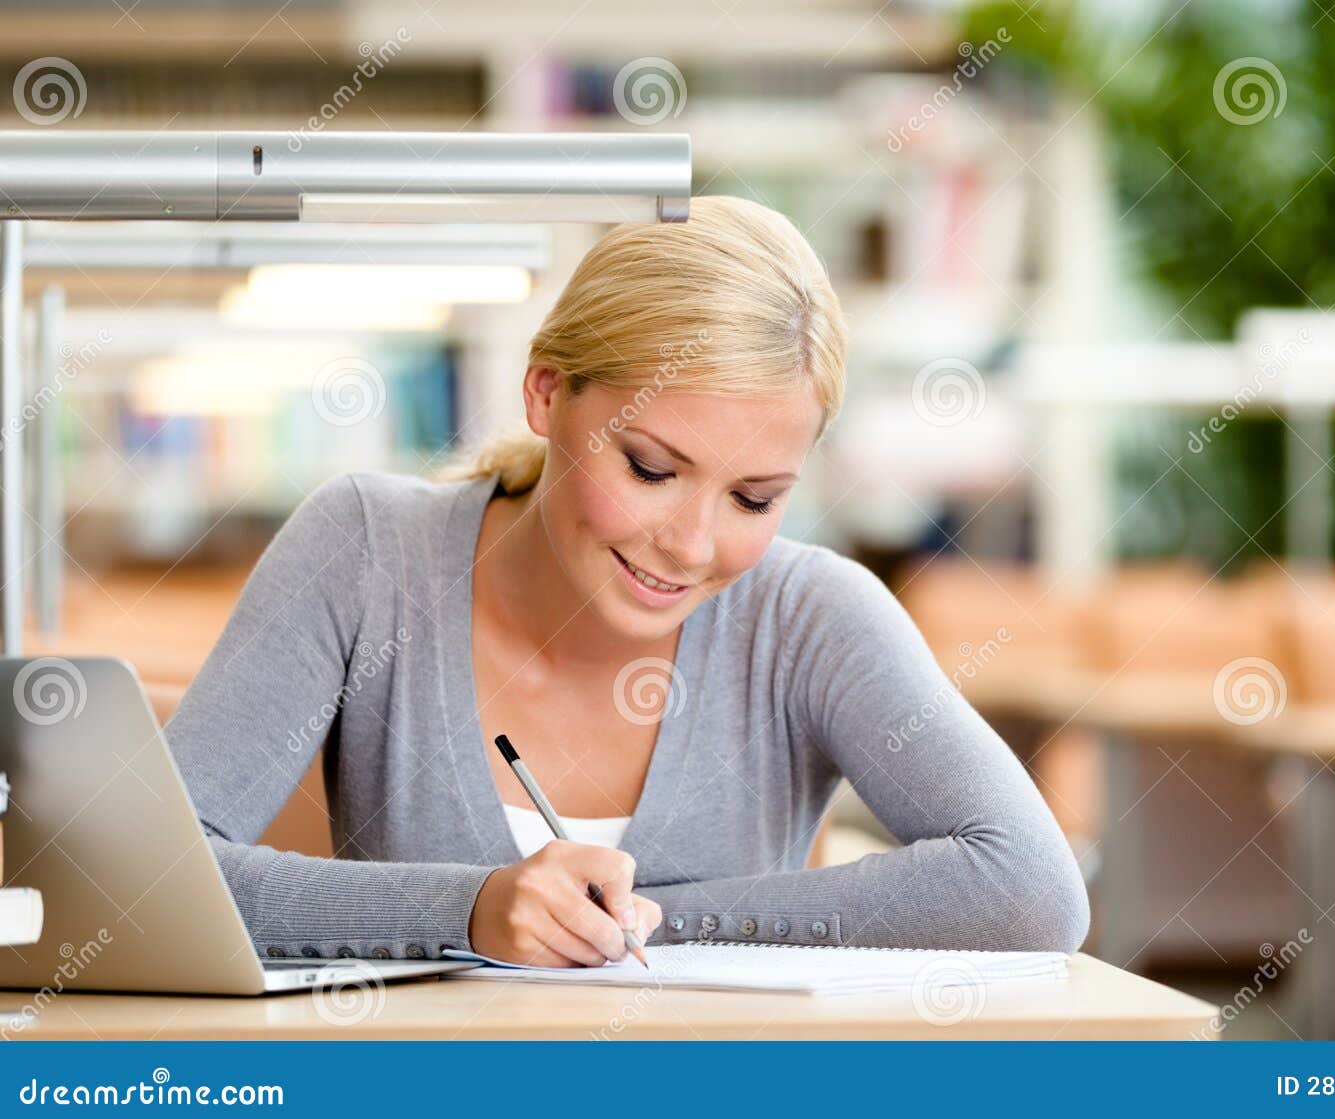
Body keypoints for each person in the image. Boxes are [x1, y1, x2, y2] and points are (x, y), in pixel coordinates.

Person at [166, 196, 1090, 967]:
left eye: (754, 497)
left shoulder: (812, 617)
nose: (691, 545)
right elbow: (147, 880)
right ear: (544, 391)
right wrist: (473, 911)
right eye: (651, 468)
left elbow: (1032, 891)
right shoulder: (368, 550)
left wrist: (645, 922)